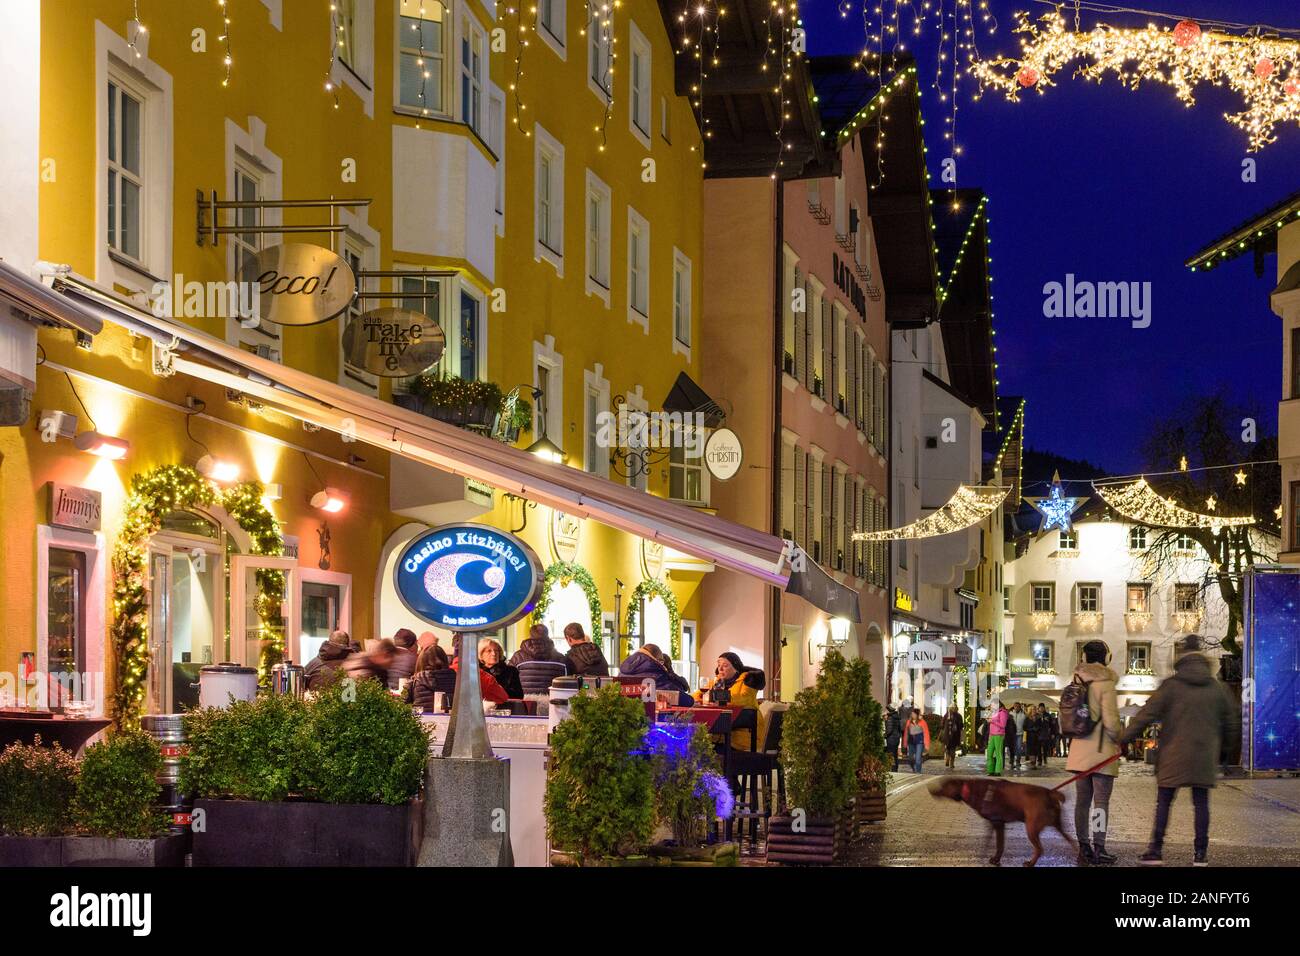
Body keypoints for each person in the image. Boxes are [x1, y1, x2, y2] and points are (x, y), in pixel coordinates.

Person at [1121, 636, 1239, 867]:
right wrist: (1223, 751)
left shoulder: (1171, 686)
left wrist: (1124, 739)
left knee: (1164, 802)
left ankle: (1155, 851)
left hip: (1173, 755)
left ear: (1181, 656)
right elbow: (1232, 722)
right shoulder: (1218, 688)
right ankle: (1200, 854)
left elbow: (1146, 715)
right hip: (1204, 756)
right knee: (1201, 803)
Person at [1067, 639, 1121, 866]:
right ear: (1106, 658)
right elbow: (1111, 722)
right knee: (1100, 804)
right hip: (1101, 753)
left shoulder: (1076, 680)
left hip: (1079, 751)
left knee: (1082, 802)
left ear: (1085, 658)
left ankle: (1083, 846)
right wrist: (1120, 737)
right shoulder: (1106, 683)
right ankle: (1099, 847)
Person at [694, 652, 767, 751]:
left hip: (743, 738)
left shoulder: (747, 681)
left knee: (705, 749)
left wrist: (715, 697)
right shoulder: (717, 682)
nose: (720, 669)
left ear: (735, 668)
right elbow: (697, 695)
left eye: (725, 666)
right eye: (719, 665)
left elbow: (742, 699)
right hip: (721, 737)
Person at [618, 643, 693, 706]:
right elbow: (684, 699)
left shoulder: (623, 671)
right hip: (647, 719)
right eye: (661, 662)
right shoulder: (654, 671)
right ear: (657, 660)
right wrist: (691, 700)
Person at [448, 633, 509, 706]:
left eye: (496, 651)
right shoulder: (482, 676)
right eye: (489, 651)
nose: (494, 654)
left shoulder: (447, 672)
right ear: (478, 653)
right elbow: (503, 697)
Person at [406, 642, 452, 710]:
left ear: (420, 662)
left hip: (420, 719)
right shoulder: (456, 680)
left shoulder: (415, 680)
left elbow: (402, 706)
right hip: (450, 719)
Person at [904, 708, 930, 773]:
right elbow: (906, 733)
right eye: (912, 713)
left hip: (919, 741)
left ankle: (918, 772)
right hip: (911, 742)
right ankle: (914, 768)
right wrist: (905, 743)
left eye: (914, 714)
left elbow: (926, 733)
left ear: (917, 714)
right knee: (910, 759)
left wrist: (926, 745)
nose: (912, 715)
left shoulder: (922, 722)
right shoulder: (908, 722)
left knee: (918, 759)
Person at [985, 701, 1008, 776]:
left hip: (999, 734)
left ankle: (998, 771)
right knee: (989, 753)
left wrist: (992, 721)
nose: (991, 706)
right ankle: (990, 770)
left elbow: (1003, 725)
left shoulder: (1003, 712)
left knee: (998, 753)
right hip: (992, 735)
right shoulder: (993, 713)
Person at [884, 705, 902, 773]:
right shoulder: (897, 717)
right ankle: (895, 768)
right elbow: (900, 729)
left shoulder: (890, 718)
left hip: (891, 739)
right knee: (895, 754)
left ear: (889, 710)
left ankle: (892, 769)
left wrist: (884, 736)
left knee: (891, 755)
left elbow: (889, 730)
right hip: (896, 738)